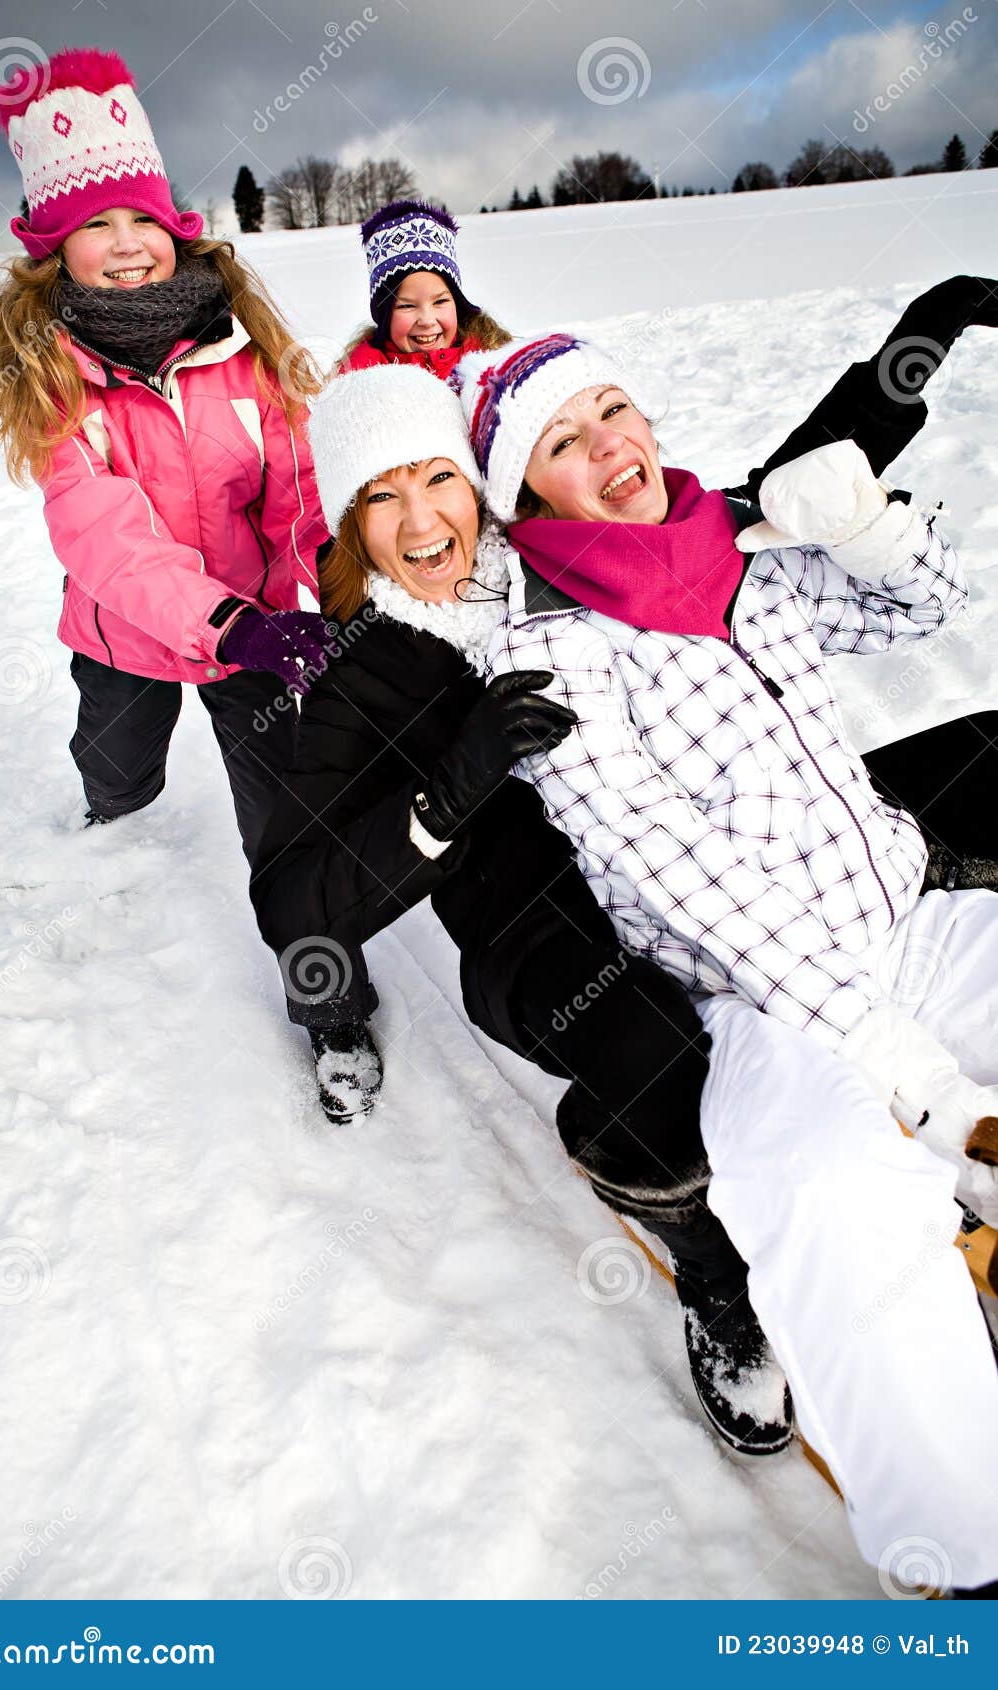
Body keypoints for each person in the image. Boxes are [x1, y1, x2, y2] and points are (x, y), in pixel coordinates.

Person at [456, 330, 998, 1592]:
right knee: (822, 1191)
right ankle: (963, 1551)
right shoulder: (550, 649)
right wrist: (864, 1036)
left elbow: (922, 607)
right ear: (528, 494)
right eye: (561, 441)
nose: (608, 446)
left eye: (614, 410)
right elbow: (664, 869)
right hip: (767, 1008)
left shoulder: (742, 558)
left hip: (905, 921)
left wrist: (868, 530)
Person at [249, 363, 795, 1455]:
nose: (420, 522)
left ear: (481, 487)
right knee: (648, 1052)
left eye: (439, 480)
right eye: (382, 497)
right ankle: (705, 1264)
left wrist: (876, 411)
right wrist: (442, 796)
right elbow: (292, 902)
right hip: (537, 929)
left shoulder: (561, 554)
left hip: (697, 853)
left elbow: (727, 508)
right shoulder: (358, 672)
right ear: (352, 523)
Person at [0, 46, 335, 867]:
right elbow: (107, 539)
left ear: (174, 228)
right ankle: (114, 852)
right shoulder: (56, 380)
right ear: (56, 248)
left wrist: (338, 571)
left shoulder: (244, 354)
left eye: (142, 219)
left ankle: (320, 972)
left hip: (254, 623)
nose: (127, 245)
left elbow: (301, 496)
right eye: (95, 224)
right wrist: (225, 627)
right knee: (118, 771)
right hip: (122, 629)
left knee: (283, 813)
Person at [341, 199, 511, 378]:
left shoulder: (488, 355)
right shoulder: (362, 373)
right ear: (384, 316)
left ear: (457, 302)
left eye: (440, 301)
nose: (427, 321)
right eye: (407, 306)